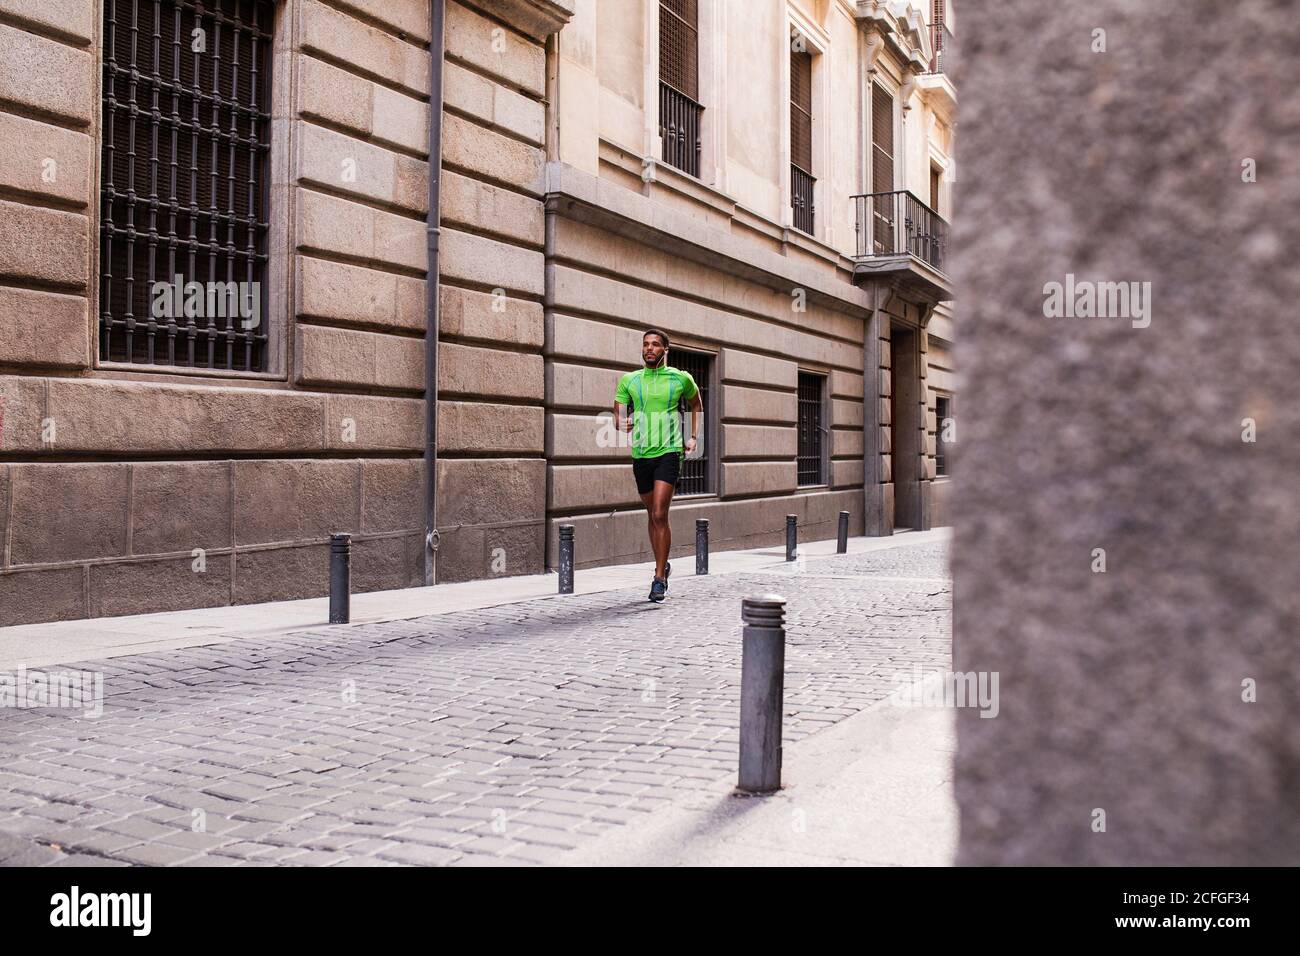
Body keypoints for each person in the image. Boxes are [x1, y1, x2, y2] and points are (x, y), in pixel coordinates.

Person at [613, 329, 702, 602]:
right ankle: (662, 564)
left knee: (661, 513)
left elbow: (696, 405)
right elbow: (617, 413)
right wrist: (620, 423)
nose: (649, 348)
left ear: (665, 350)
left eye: (655, 345)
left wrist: (693, 436)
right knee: (652, 514)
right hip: (641, 455)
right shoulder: (630, 380)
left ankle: (659, 577)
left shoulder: (680, 378)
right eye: (646, 345)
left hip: (669, 452)